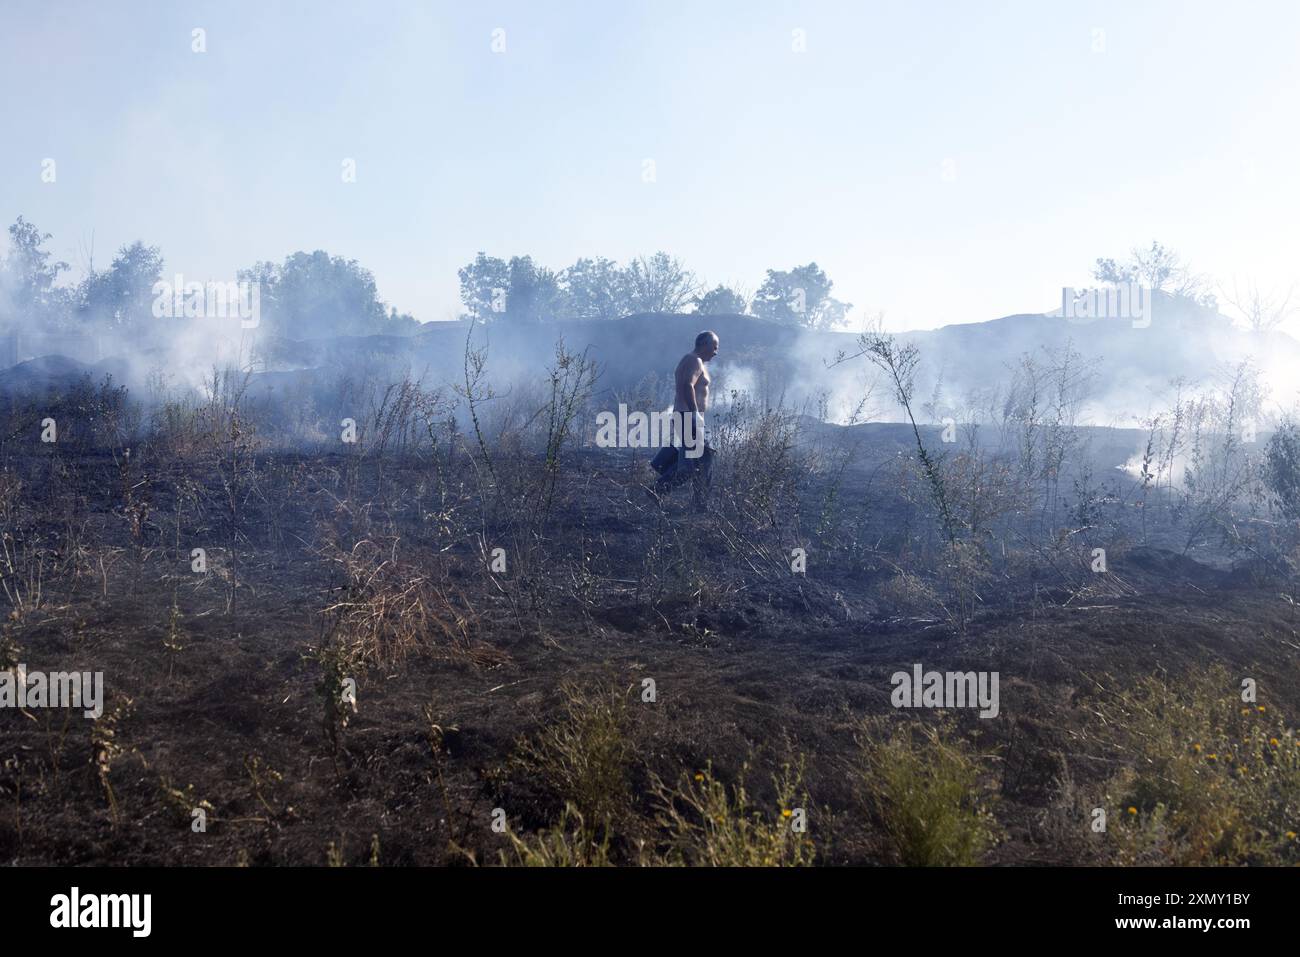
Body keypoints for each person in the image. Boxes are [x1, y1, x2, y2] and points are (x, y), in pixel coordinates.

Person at [650, 330, 718, 507]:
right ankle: (698, 503)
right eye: (714, 347)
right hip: (688, 417)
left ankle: (660, 489)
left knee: (694, 463)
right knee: (704, 458)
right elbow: (687, 385)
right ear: (704, 344)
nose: (716, 352)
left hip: (686, 417)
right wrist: (695, 414)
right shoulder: (693, 360)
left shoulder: (693, 361)